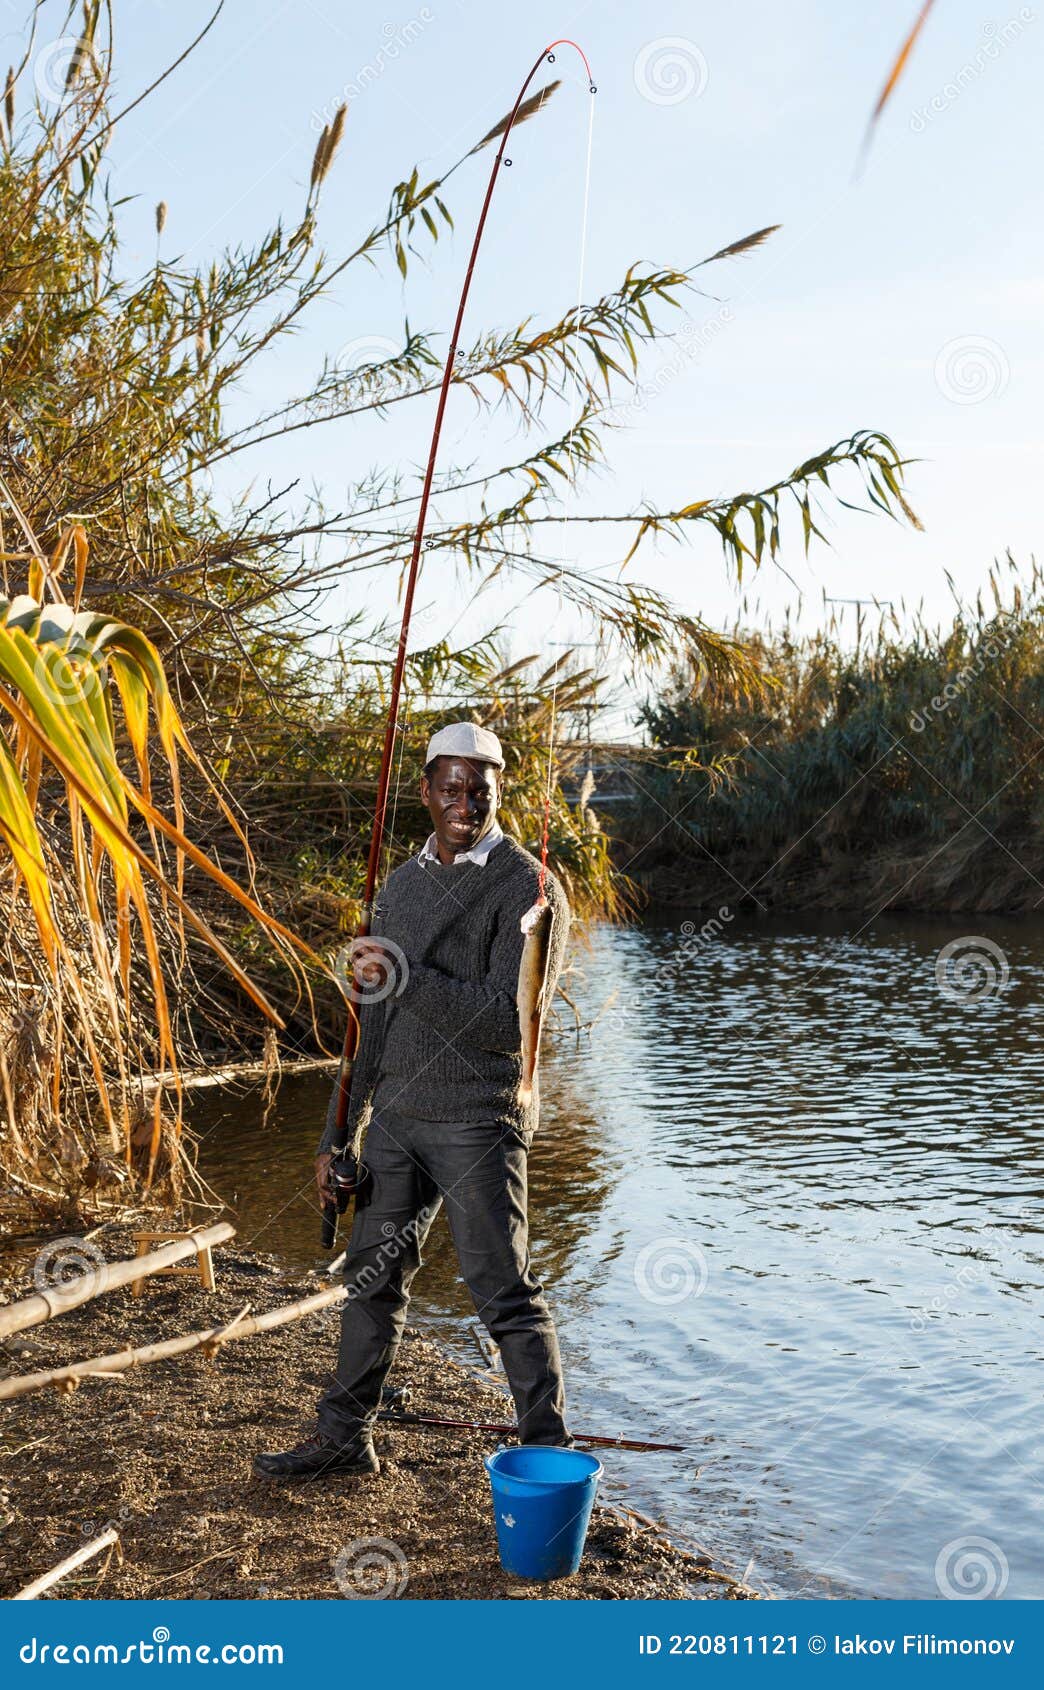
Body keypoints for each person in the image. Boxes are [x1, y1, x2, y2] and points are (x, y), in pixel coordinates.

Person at [254, 722, 572, 1479]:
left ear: (499, 790)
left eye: (480, 789)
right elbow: (375, 1021)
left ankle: (550, 1463)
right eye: (451, 788)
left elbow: (507, 1023)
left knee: (503, 1291)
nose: (466, 802)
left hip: (479, 1120)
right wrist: (341, 1134)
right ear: (425, 791)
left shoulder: (529, 888)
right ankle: (343, 1440)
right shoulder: (399, 886)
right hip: (396, 1118)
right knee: (371, 1282)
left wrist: (406, 976)